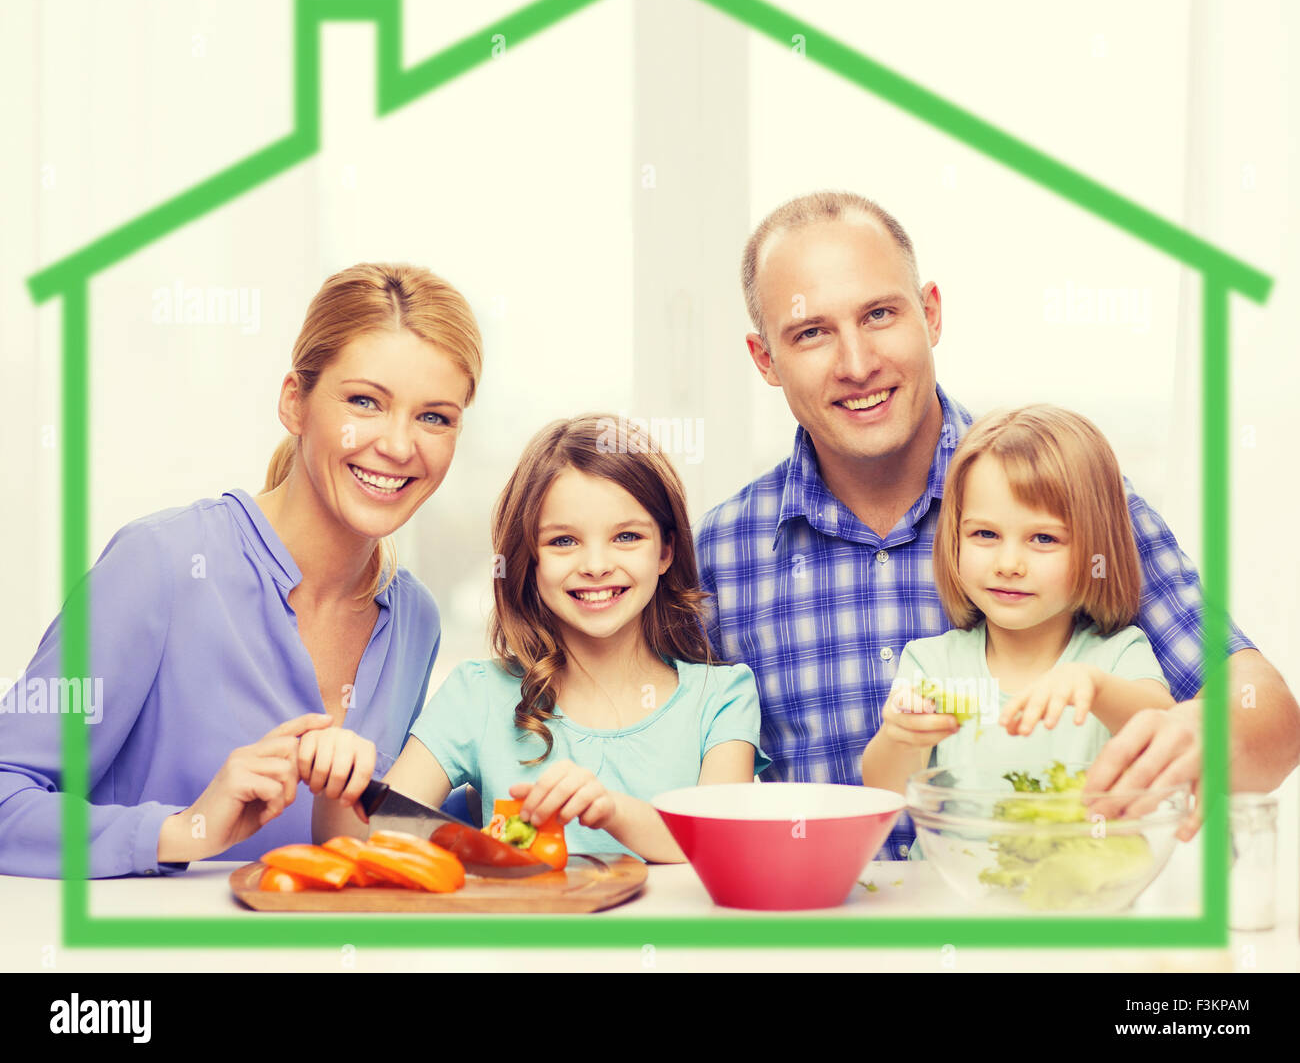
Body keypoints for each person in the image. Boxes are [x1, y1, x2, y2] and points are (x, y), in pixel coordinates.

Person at [695, 191, 1298, 861]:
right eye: (811, 332)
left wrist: (1209, 733)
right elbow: (652, 758)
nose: (858, 363)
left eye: (880, 315)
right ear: (764, 360)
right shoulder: (723, 551)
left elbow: (1269, 718)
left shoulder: (1067, 499)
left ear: (930, 314)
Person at [0, 262, 483, 877]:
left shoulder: (414, 617)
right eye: (365, 401)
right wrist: (182, 829)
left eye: (434, 417)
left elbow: (378, 832)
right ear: (294, 402)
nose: (397, 445)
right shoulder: (162, 565)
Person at [318, 415, 770, 861]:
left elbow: (719, 842)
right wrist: (336, 784)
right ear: (529, 559)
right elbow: (370, 843)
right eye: (563, 542)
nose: (595, 564)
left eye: (627, 536)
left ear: (666, 551)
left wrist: (609, 811)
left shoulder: (722, 697)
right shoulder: (477, 696)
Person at [860, 405, 1174, 796]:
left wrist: (1096, 688)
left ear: (1095, 549)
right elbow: (884, 789)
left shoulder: (1116, 656)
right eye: (985, 535)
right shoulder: (933, 665)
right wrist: (900, 736)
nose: (1008, 565)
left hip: (1084, 858)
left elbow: (1164, 727)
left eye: (1043, 539)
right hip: (952, 859)